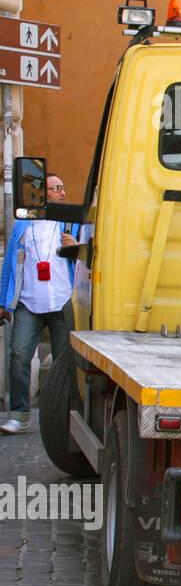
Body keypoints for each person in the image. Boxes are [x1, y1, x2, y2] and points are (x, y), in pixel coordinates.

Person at [1, 172, 80, 434]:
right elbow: (10, 263)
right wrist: (4, 301)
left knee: (63, 361)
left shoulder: (70, 222)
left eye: (63, 187)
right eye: (56, 188)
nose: (62, 192)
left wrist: (77, 244)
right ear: (41, 193)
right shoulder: (24, 221)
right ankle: (19, 416)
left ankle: (65, 418)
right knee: (18, 355)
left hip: (61, 301)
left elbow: (92, 253)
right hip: (28, 301)